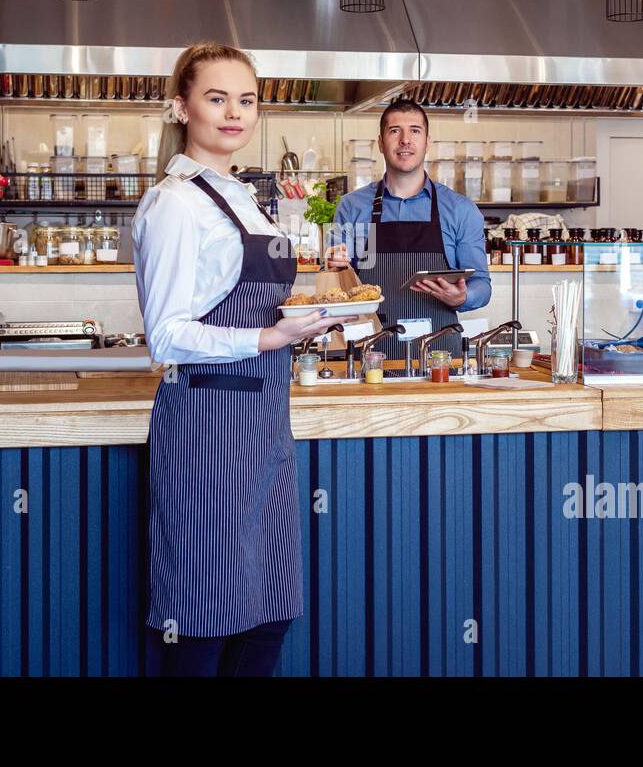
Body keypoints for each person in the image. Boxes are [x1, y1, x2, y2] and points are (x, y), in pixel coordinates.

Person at [132, 43, 353, 676]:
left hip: (264, 425)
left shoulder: (240, 195)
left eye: (247, 100)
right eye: (217, 97)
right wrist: (266, 340)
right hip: (204, 426)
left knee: (268, 617)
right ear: (182, 106)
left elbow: (258, 301)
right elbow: (167, 338)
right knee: (201, 616)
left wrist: (317, 298)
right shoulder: (174, 204)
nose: (235, 113)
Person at [327, 99, 491, 359]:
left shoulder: (460, 209)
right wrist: (335, 266)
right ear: (381, 143)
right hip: (370, 357)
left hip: (440, 360)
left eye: (415, 130)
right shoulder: (352, 207)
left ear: (427, 142)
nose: (405, 140)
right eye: (395, 131)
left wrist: (461, 297)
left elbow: (482, 284)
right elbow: (334, 281)